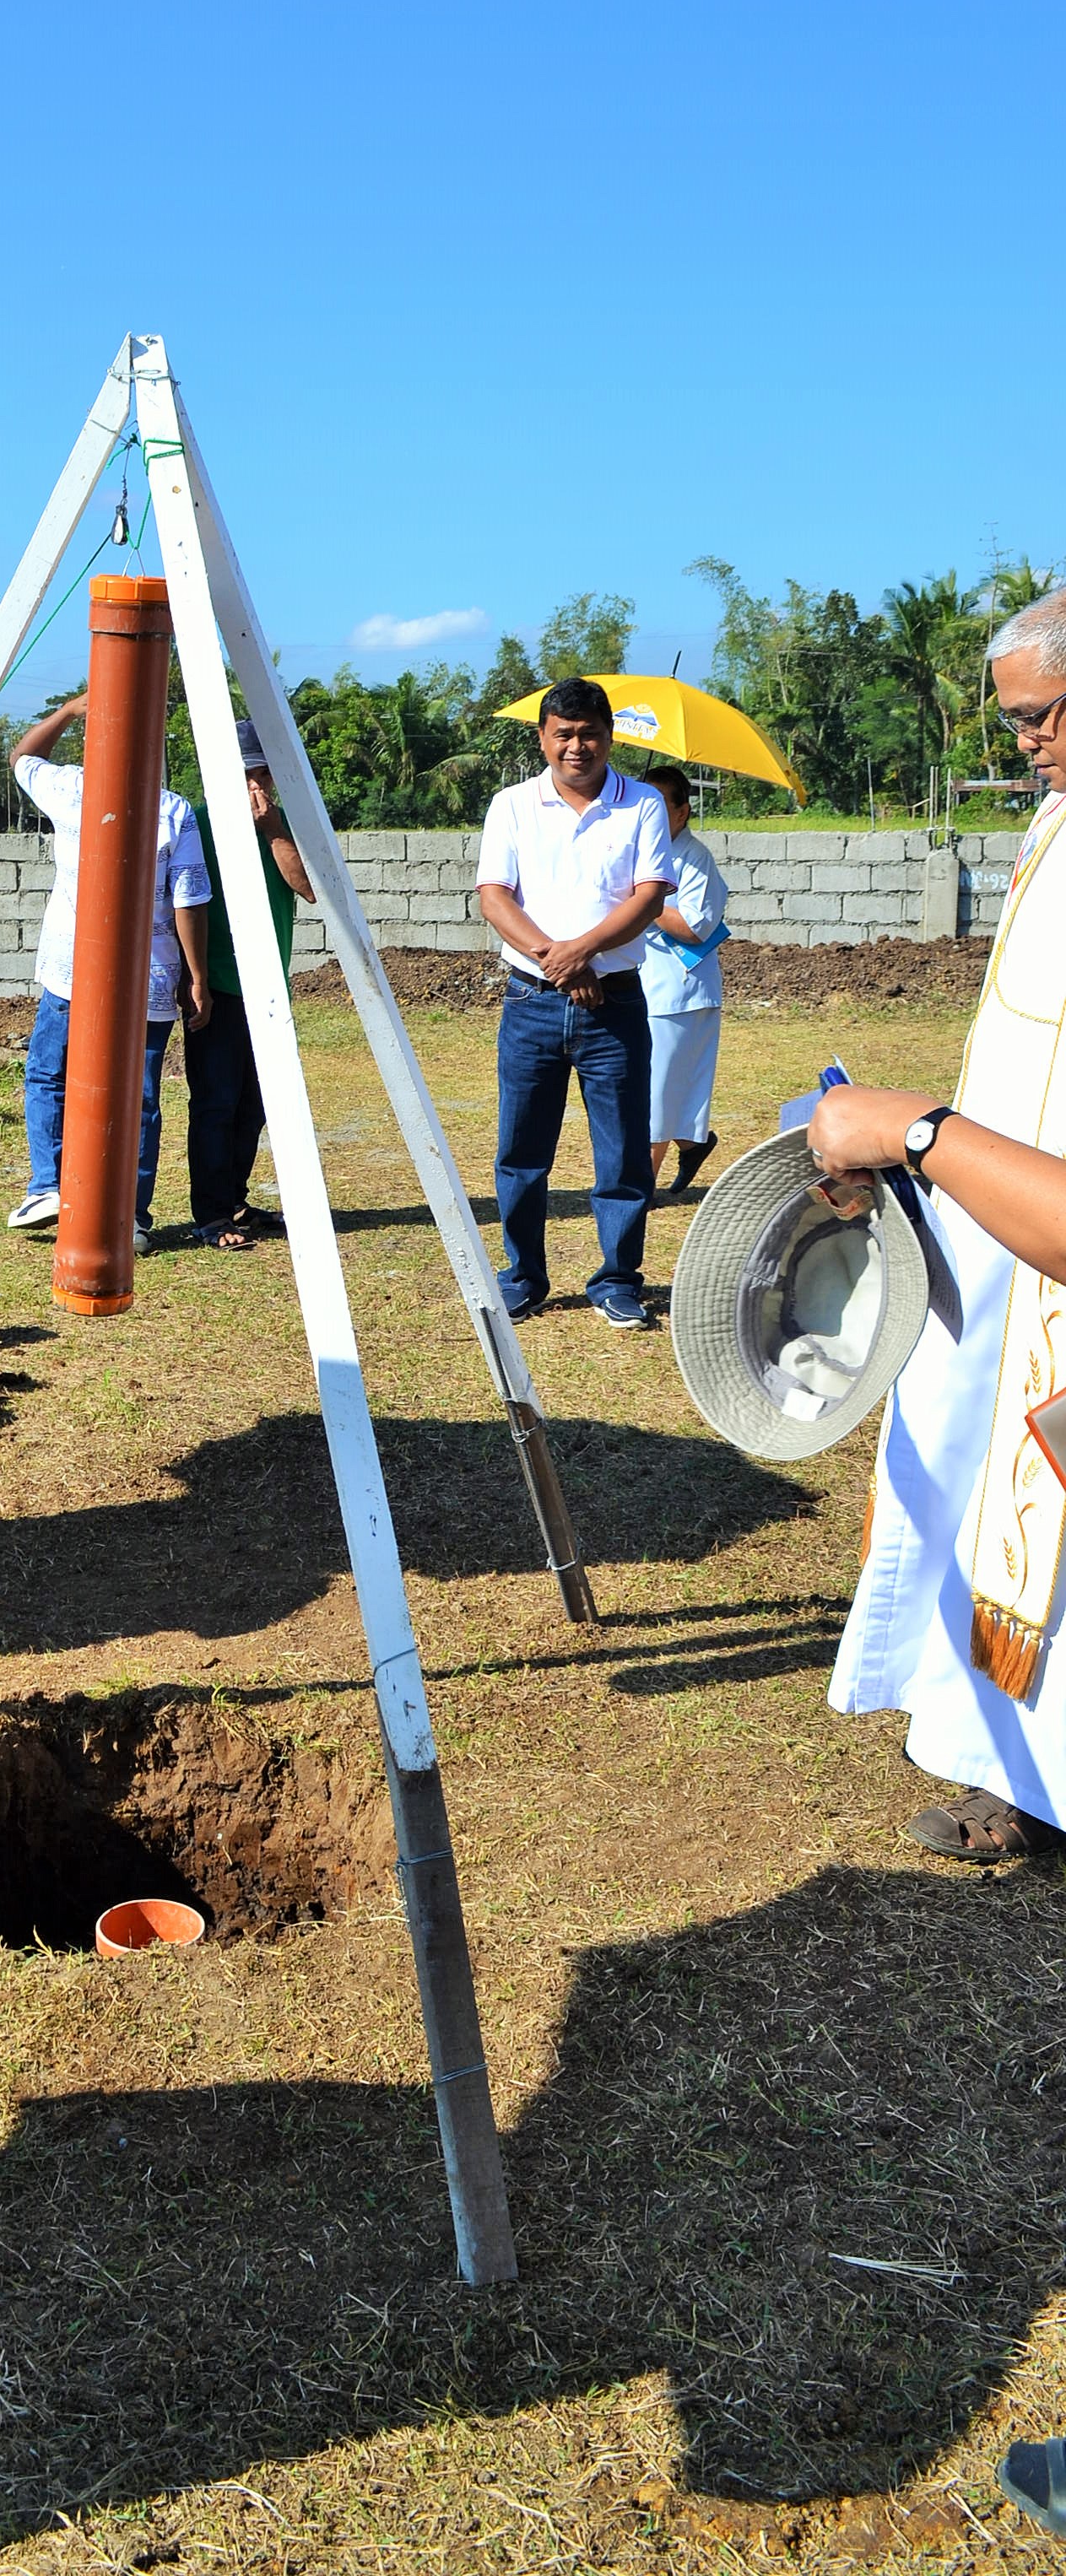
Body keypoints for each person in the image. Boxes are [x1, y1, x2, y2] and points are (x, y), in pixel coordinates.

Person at [804, 592, 1066, 2537]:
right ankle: (1004, 1775)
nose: (1030, 747)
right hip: (1009, 1234)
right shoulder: (1059, 825)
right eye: (1018, 725)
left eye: (1050, 717)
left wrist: (919, 1129)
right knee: (976, 1524)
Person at [474, 676, 674, 1327]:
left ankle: (617, 1279)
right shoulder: (512, 804)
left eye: (590, 734)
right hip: (530, 1001)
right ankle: (523, 1275)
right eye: (563, 734)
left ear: (610, 736)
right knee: (522, 1150)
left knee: (620, 1152)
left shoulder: (641, 804)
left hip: (612, 1006)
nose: (577, 747)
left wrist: (580, 952)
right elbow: (496, 896)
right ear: (543, 737)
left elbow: (648, 897)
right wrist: (555, 962)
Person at [5, 687, 211, 1245]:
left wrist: (71, 710)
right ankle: (131, 1217)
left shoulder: (71, 789)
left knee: (51, 1075)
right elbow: (188, 899)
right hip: (151, 976)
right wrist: (197, 976)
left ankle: (50, 1184)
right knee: (138, 1097)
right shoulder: (172, 810)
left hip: (71, 972)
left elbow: (22, 757)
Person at [186, 717, 315, 1247]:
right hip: (213, 986)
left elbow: (307, 888)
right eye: (245, 774)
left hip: (267, 989)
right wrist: (191, 980)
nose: (255, 785)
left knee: (256, 1103)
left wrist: (272, 827)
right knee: (215, 1102)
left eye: (263, 772)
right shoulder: (194, 825)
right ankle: (211, 1214)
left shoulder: (284, 827)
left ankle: (234, 1200)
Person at [638, 762, 729, 1196]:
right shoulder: (638, 852)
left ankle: (640, 1188)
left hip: (680, 989)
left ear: (682, 813)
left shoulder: (695, 859)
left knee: (659, 1089)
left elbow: (695, 927)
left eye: (660, 804)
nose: (649, 813)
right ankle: (694, 1144)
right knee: (668, 1089)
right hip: (640, 984)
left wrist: (643, 901)